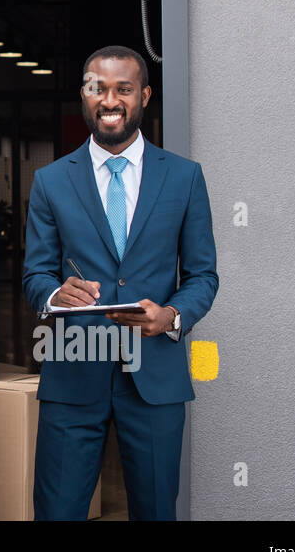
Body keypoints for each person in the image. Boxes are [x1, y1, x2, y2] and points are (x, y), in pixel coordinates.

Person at [22, 45, 218, 520]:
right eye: (98, 89)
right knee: (57, 511)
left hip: (155, 378)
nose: (110, 100)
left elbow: (202, 276)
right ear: (85, 96)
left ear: (145, 96)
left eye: (123, 89)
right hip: (73, 375)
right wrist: (53, 294)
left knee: (155, 511)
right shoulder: (50, 181)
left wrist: (171, 315)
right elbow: (34, 274)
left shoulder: (184, 178)